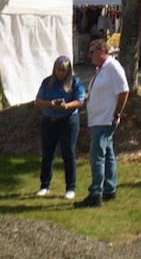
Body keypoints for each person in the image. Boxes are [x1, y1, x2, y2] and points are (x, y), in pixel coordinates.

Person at [77, 38, 128, 208]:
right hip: (98, 119)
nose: (89, 55)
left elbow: (123, 91)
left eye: (92, 52)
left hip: (105, 119)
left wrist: (117, 113)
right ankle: (109, 188)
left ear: (101, 51)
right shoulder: (101, 69)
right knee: (107, 154)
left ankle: (95, 194)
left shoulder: (113, 67)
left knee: (96, 156)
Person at [33, 56, 85, 199]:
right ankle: (44, 185)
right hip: (49, 120)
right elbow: (38, 101)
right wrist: (50, 104)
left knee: (68, 153)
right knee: (47, 153)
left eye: (64, 70)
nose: (61, 73)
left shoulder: (75, 82)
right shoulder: (47, 82)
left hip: (68, 121)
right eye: (58, 69)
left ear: (68, 70)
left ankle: (70, 188)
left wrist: (66, 105)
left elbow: (80, 101)